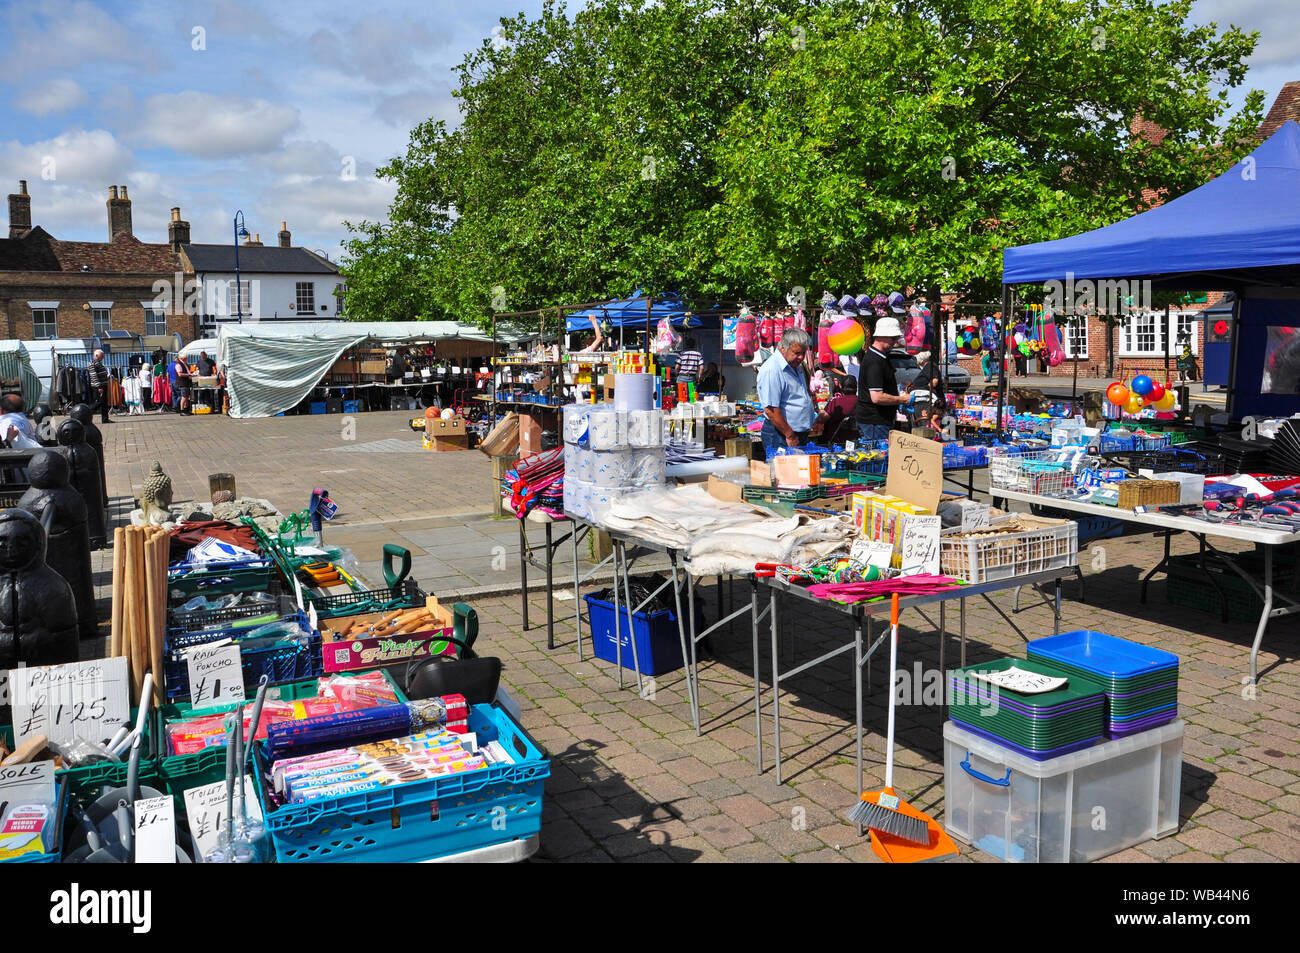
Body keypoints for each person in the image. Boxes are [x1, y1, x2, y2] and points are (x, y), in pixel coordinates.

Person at [757, 328, 824, 456]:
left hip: (796, 433)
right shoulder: (772, 370)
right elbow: (771, 409)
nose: (801, 357)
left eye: (803, 353)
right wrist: (790, 435)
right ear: (783, 348)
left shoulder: (794, 365)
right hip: (781, 435)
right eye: (797, 353)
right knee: (783, 473)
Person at [856, 317, 910, 444]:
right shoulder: (874, 361)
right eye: (893, 338)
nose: (895, 342)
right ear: (881, 336)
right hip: (874, 422)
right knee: (878, 456)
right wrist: (902, 399)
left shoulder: (880, 357)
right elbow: (877, 397)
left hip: (878, 421)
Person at [817, 377, 859, 444]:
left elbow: (821, 419)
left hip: (838, 442)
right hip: (858, 440)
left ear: (840, 386)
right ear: (856, 387)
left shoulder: (835, 402)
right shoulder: (862, 402)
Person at [87, 349, 110, 424]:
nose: (103, 357)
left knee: (104, 403)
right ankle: (86, 413)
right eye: (102, 356)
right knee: (99, 402)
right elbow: (94, 376)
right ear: (96, 355)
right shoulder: (93, 364)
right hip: (99, 386)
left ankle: (105, 419)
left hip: (103, 385)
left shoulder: (98, 363)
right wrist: (99, 387)